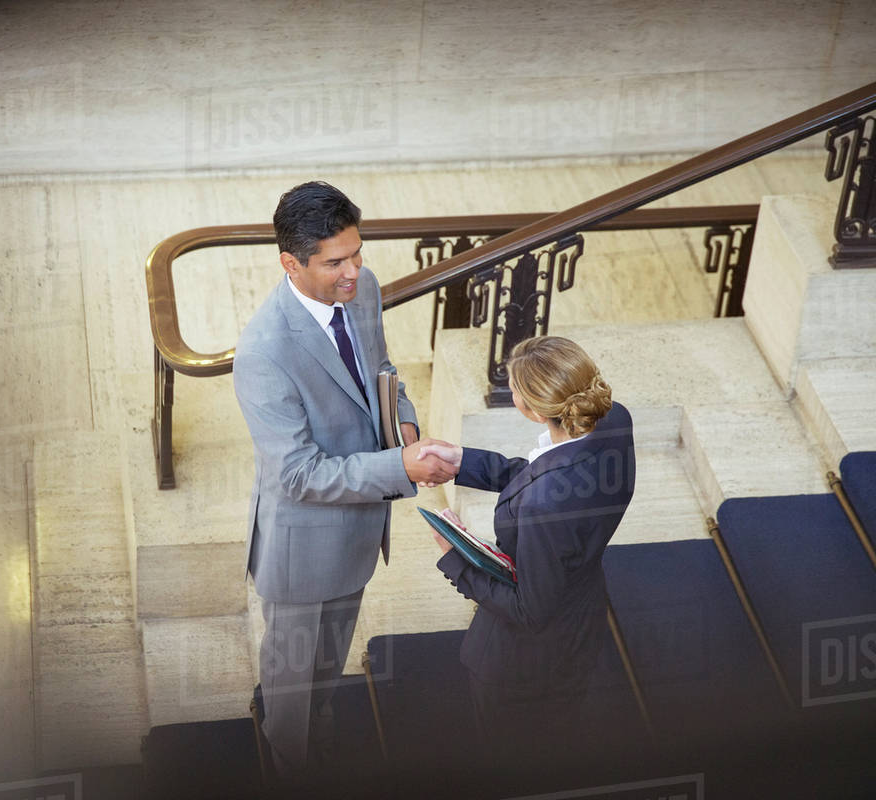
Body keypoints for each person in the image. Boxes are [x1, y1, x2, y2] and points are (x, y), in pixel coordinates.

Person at [233, 180, 458, 779]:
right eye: (335, 262)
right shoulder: (263, 351)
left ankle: (320, 731)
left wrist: (405, 429)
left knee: (325, 674)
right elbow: (297, 474)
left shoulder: (363, 290)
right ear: (292, 263)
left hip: (358, 527)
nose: (354, 271)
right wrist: (400, 469)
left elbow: (382, 373)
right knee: (289, 690)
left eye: (356, 252)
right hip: (302, 546)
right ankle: (290, 764)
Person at [417, 335, 635, 765]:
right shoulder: (614, 421)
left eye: (514, 387)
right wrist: (465, 460)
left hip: (524, 666)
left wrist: (455, 557)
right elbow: (549, 477)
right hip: (580, 618)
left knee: (514, 760)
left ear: (530, 409)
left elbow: (529, 610)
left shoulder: (543, 506)